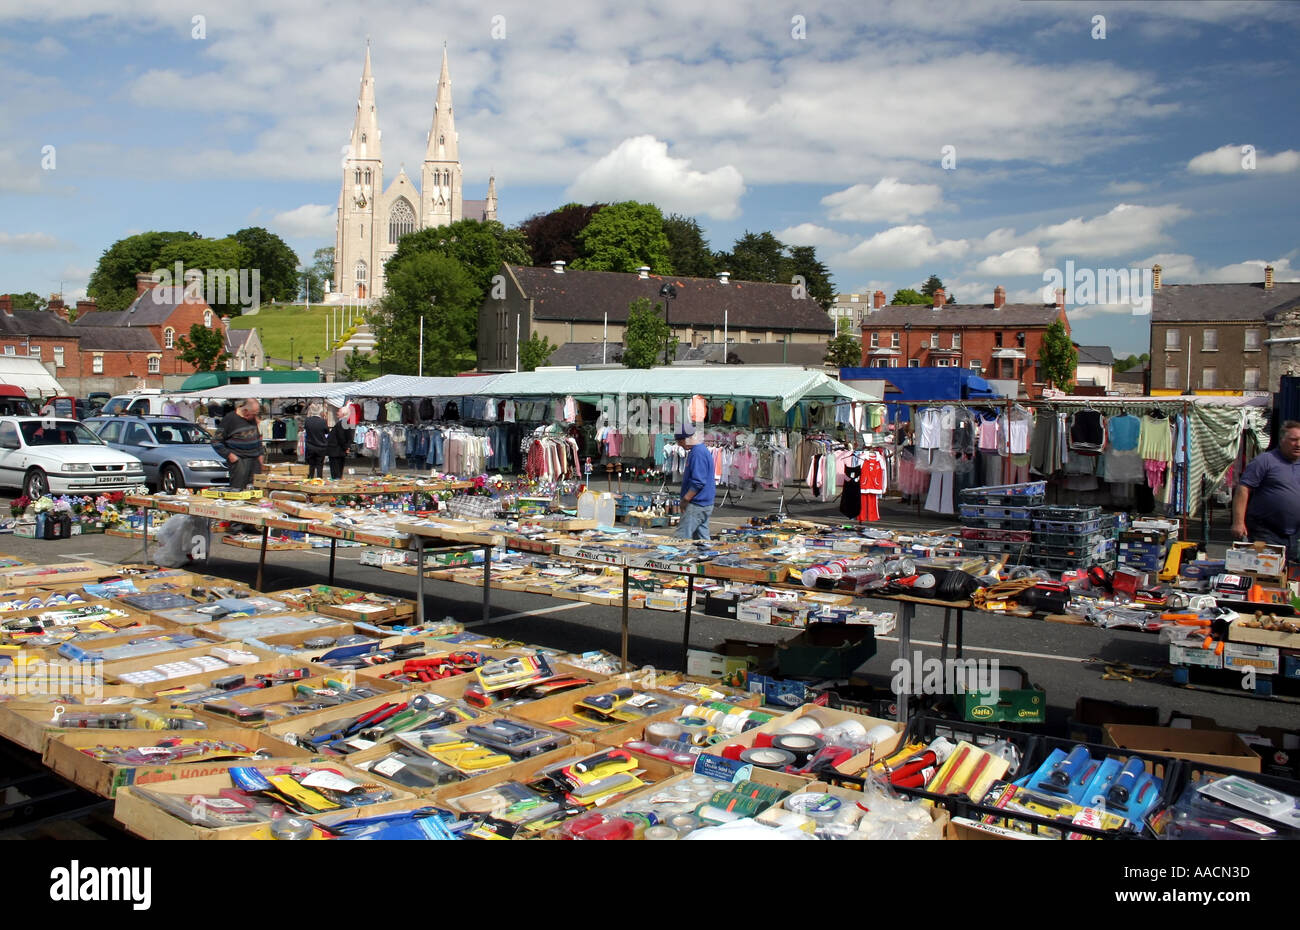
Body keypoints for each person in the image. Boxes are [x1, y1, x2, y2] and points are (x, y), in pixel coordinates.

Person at [1232, 420, 1300, 558]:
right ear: (1281, 440)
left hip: (1295, 534)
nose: (1298, 444)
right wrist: (1238, 522)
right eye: (1293, 440)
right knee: (1266, 571)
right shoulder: (1265, 460)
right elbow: (1243, 489)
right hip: (1265, 531)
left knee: (1290, 575)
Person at [212, 398, 264, 491]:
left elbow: (257, 437)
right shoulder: (229, 419)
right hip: (239, 460)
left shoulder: (252, 419)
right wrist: (229, 455)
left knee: (255, 490)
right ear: (245, 411)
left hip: (254, 460)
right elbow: (216, 441)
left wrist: (260, 454)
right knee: (238, 490)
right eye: (254, 414)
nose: (255, 417)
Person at [674, 427, 716, 540]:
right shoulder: (699, 450)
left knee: (681, 538)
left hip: (697, 503)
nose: (679, 445)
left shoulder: (698, 453)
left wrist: (686, 499)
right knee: (701, 540)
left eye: (680, 442)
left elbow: (698, 481)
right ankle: (706, 556)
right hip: (704, 503)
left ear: (687, 439)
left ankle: (677, 557)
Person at [303, 403, 330, 479]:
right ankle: (319, 479)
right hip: (321, 446)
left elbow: (306, 430)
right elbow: (327, 432)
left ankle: (310, 478)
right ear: (320, 412)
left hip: (310, 446)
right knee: (319, 465)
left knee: (310, 465)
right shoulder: (323, 421)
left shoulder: (307, 421)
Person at [326, 407, 350, 480]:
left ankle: (336, 483)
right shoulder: (344, 422)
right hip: (338, 450)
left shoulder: (342, 423)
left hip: (336, 450)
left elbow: (341, 437)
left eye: (339, 412)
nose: (337, 413)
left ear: (343, 414)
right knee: (338, 469)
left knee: (336, 470)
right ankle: (337, 480)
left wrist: (345, 447)